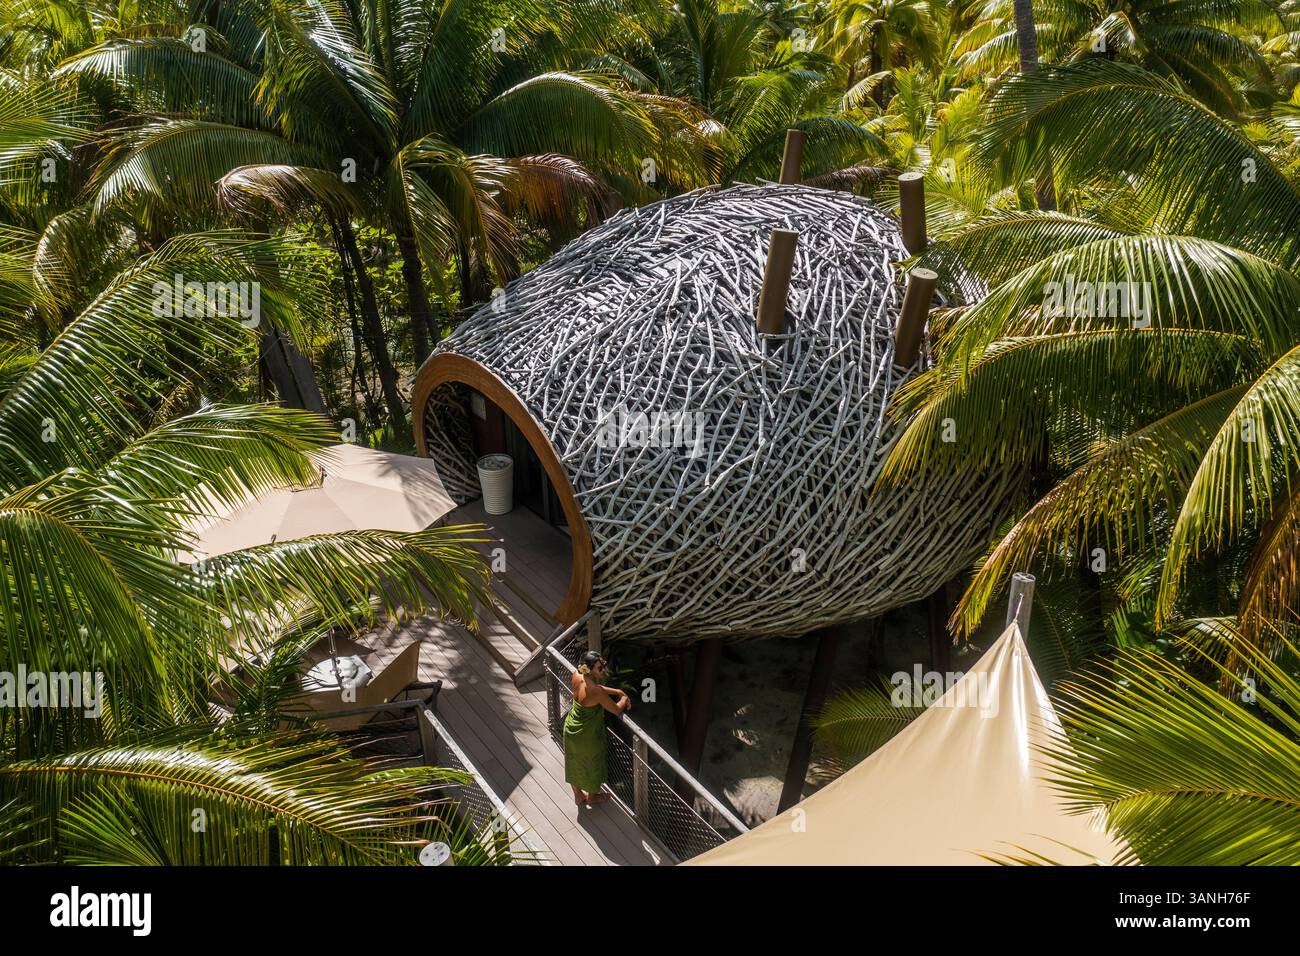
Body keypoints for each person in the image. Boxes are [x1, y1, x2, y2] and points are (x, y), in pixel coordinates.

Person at [564, 651, 631, 807]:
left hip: (571, 727)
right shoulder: (596, 692)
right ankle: (592, 797)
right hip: (587, 735)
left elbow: (594, 687)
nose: (604, 671)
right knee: (594, 765)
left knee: (574, 761)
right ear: (590, 669)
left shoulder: (577, 675)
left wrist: (616, 691)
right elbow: (616, 709)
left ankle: (578, 795)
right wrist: (624, 697)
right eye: (600, 668)